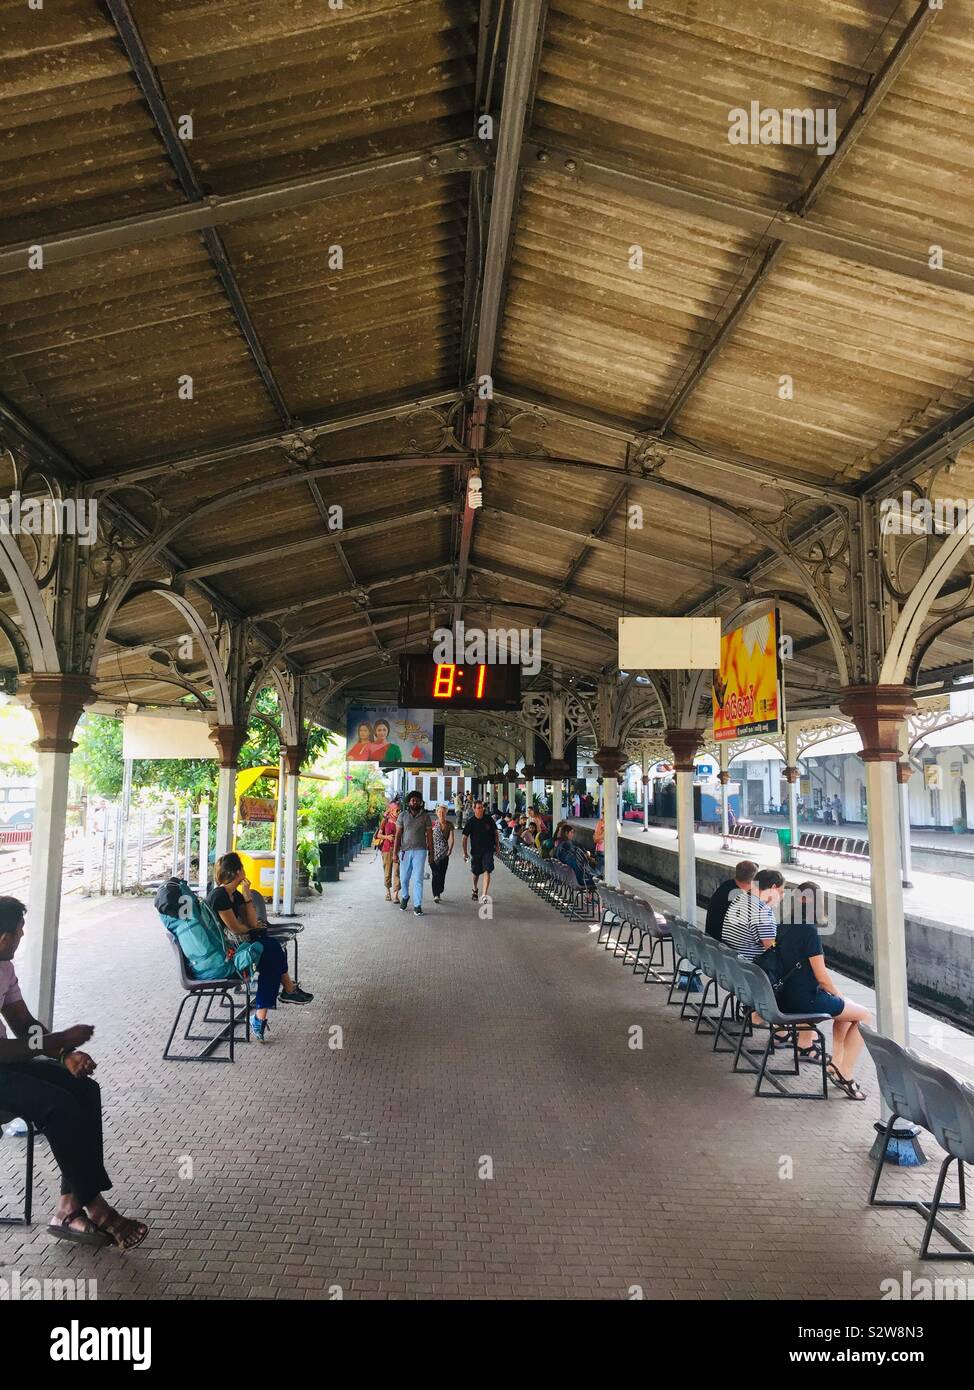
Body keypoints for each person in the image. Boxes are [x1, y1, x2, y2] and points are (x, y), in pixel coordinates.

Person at [0, 897, 149, 1250]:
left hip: (5, 1065)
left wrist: (64, 1053)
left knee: (82, 1089)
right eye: (19, 931)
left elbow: (23, 1026)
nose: (23, 934)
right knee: (58, 1105)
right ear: (3, 937)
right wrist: (62, 1039)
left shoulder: (4, 967)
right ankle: (96, 1208)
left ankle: (69, 1206)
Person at [774, 882, 871, 1097]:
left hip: (784, 997)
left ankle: (835, 1063)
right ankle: (845, 1071)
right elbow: (822, 977)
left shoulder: (783, 924)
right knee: (863, 1015)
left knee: (845, 1013)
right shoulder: (809, 931)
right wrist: (838, 995)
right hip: (803, 1000)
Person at [208, 853, 312, 1042]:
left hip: (239, 944)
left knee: (271, 953)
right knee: (272, 950)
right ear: (237, 871)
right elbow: (236, 928)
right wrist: (253, 928)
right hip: (228, 952)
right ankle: (286, 991)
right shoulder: (219, 896)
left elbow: (252, 921)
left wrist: (247, 898)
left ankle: (264, 1014)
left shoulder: (235, 895)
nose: (244, 872)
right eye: (242, 868)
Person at [721, 868, 784, 960]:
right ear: (773, 888)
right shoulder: (763, 911)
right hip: (750, 967)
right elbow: (771, 948)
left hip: (729, 961)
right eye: (781, 891)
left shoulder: (740, 898)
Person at [394, 789, 434, 915]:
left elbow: (429, 835)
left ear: (420, 802)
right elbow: (398, 834)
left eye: (417, 800)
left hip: (420, 851)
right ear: (409, 802)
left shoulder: (425, 816)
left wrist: (431, 852)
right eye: (412, 800)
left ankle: (417, 905)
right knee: (404, 878)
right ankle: (405, 896)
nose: (415, 802)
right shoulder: (402, 816)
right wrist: (395, 852)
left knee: (418, 878)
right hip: (405, 851)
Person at [704, 860, 758, 941]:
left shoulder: (728, 884)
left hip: (712, 937)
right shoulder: (738, 895)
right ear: (752, 881)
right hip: (723, 942)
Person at [462, 800, 499, 902]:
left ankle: (484, 895)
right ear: (474, 809)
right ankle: (474, 888)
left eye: (482, 808)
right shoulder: (471, 822)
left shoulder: (489, 819)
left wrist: (497, 845)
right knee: (476, 873)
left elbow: (495, 832)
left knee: (487, 870)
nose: (481, 810)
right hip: (476, 851)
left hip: (488, 849)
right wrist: (464, 853)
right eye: (478, 808)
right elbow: (464, 838)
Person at [374, 802, 401, 901]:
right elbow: (379, 835)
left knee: (397, 871)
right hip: (386, 849)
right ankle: (388, 892)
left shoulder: (401, 821)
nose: (399, 812)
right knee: (387, 871)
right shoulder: (385, 821)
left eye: (399, 810)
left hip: (398, 849)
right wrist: (387, 837)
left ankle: (396, 894)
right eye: (396, 810)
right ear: (391, 810)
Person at [430, 805, 455, 903]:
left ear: (446, 813)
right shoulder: (433, 824)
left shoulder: (449, 824)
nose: (441, 814)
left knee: (442, 874)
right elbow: (428, 837)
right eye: (440, 812)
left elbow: (452, 838)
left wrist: (450, 849)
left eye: (443, 812)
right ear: (437, 813)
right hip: (434, 853)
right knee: (435, 874)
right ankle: (436, 895)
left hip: (444, 852)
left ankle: (439, 889)